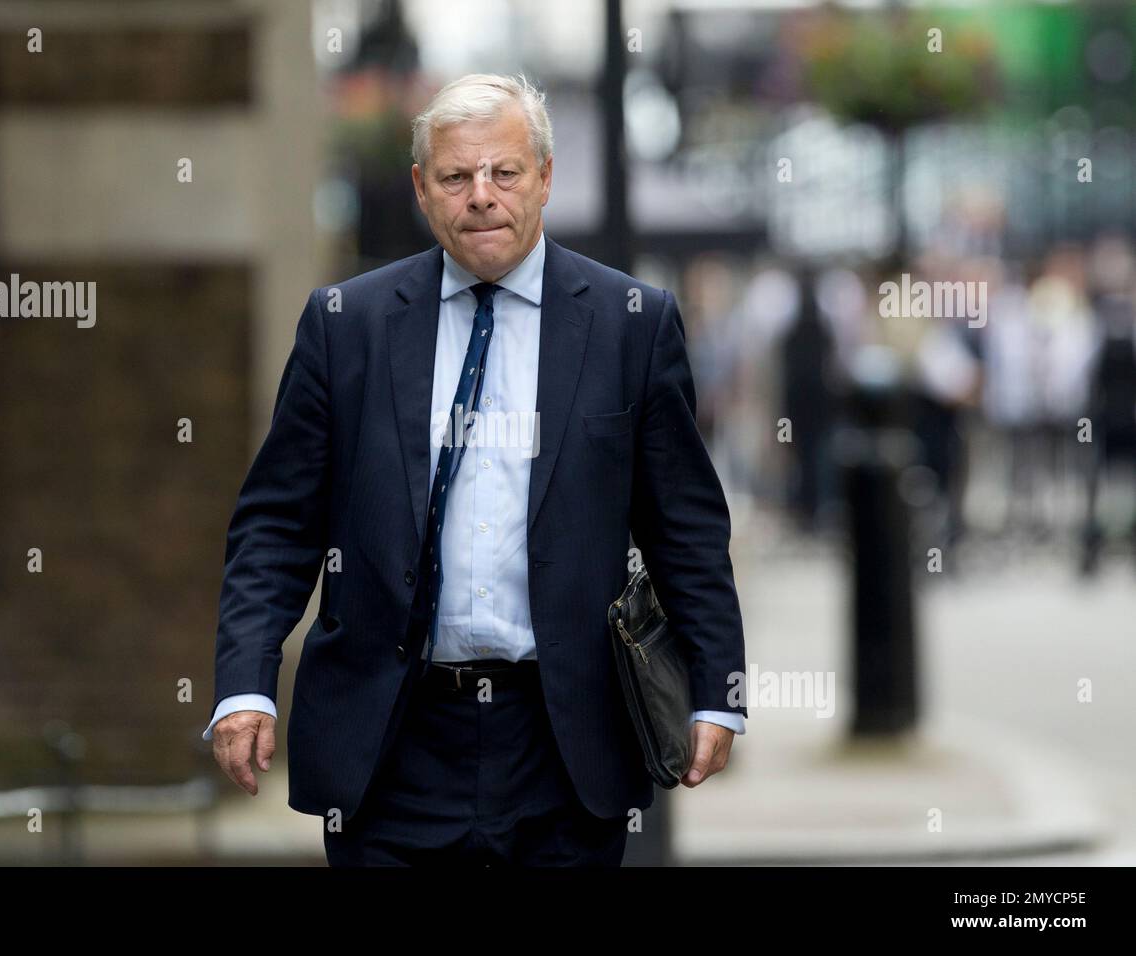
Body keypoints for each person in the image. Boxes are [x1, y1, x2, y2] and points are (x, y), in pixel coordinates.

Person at [204, 73, 748, 866]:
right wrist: (245, 681)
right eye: (457, 176)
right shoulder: (344, 328)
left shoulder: (633, 325)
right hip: (393, 744)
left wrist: (717, 688)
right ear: (423, 190)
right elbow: (276, 524)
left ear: (546, 179)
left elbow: (686, 527)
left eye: (505, 172)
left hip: (566, 744)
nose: (482, 195)